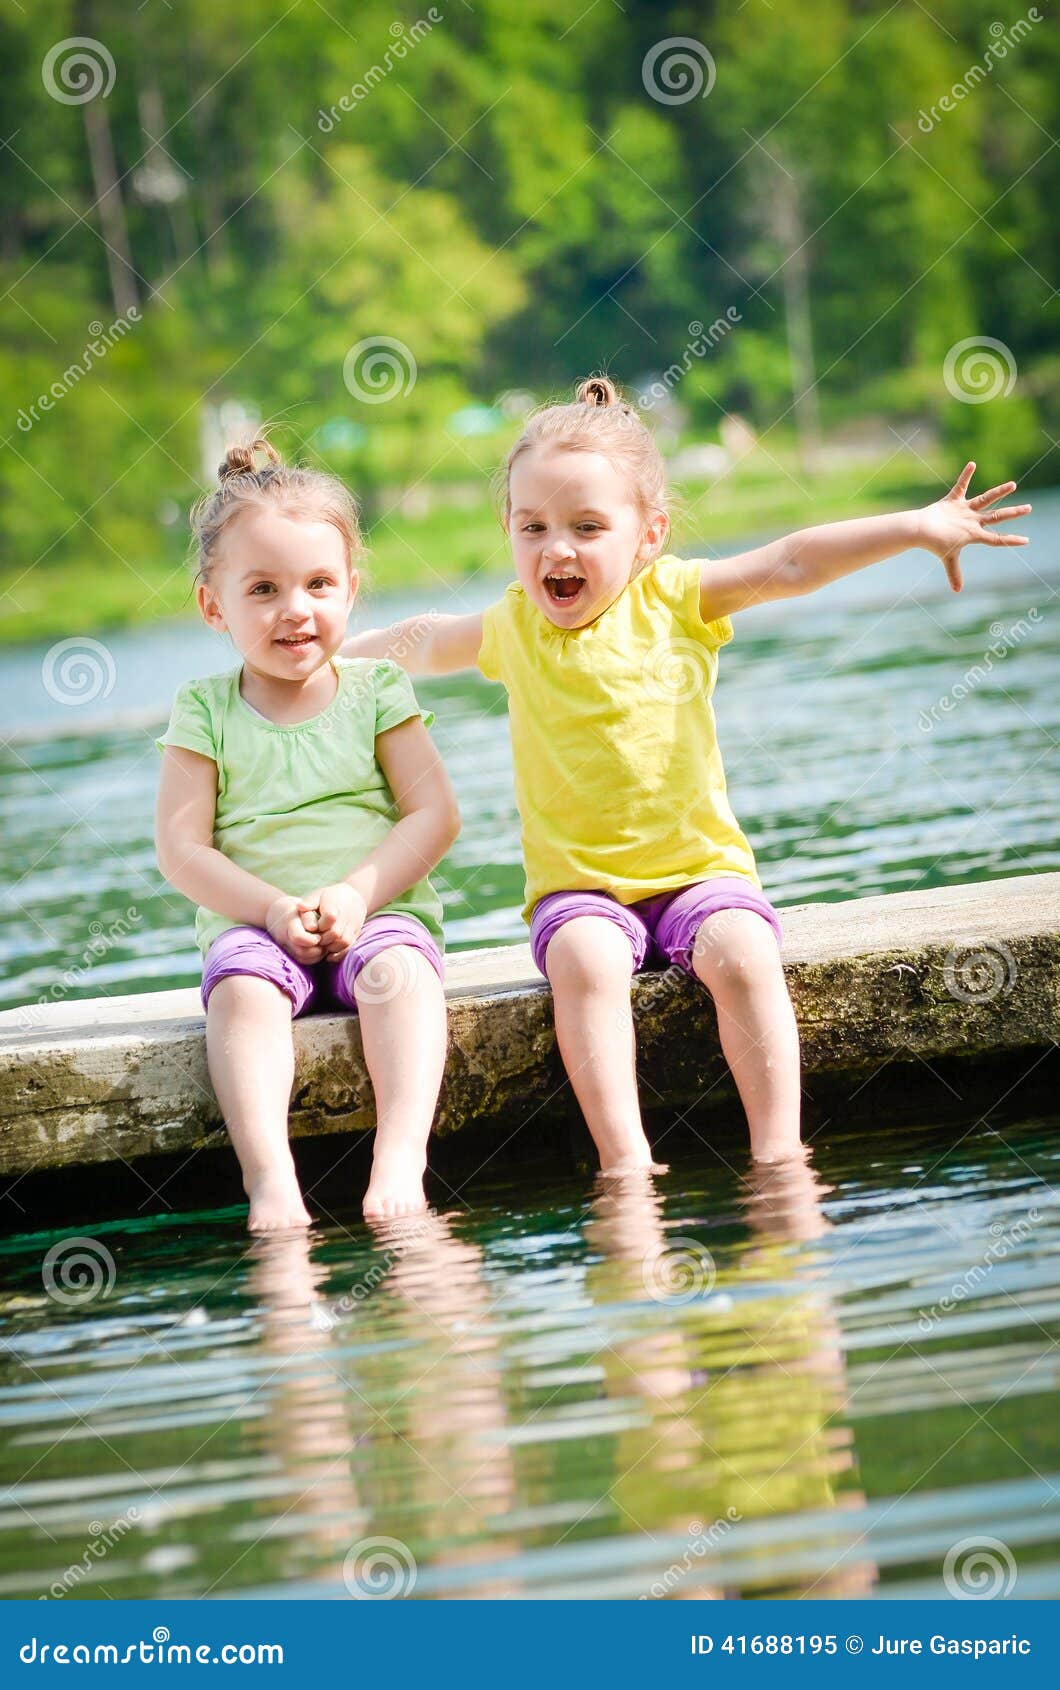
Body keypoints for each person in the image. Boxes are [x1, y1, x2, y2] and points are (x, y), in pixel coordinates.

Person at [342, 377, 1031, 1175]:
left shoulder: (676, 599)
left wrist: (916, 526)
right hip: (582, 888)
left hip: (700, 873)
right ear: (507, 529)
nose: (555, 549)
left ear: (648, 535)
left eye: (587, 527)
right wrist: (323, 652)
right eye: (532, 527)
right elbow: (424, 640)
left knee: (741, 950)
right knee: (586, 963)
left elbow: (795, 560)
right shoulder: (513, 626)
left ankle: (779, 1155)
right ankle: (625, 1163)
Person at [155, 440, 459, 1231]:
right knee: (244, 994)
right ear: (214, 607)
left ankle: (399, 1159)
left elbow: (435, 815)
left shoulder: (377, 690)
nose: (296, 609)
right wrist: (269, 912)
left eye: (319, 584)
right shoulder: (205, 709)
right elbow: (183, 850)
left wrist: (358, 894)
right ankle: (271, 1178)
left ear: (351, 591)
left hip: (376, 915)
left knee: (400, 975)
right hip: (258, 927)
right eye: (263, 589)